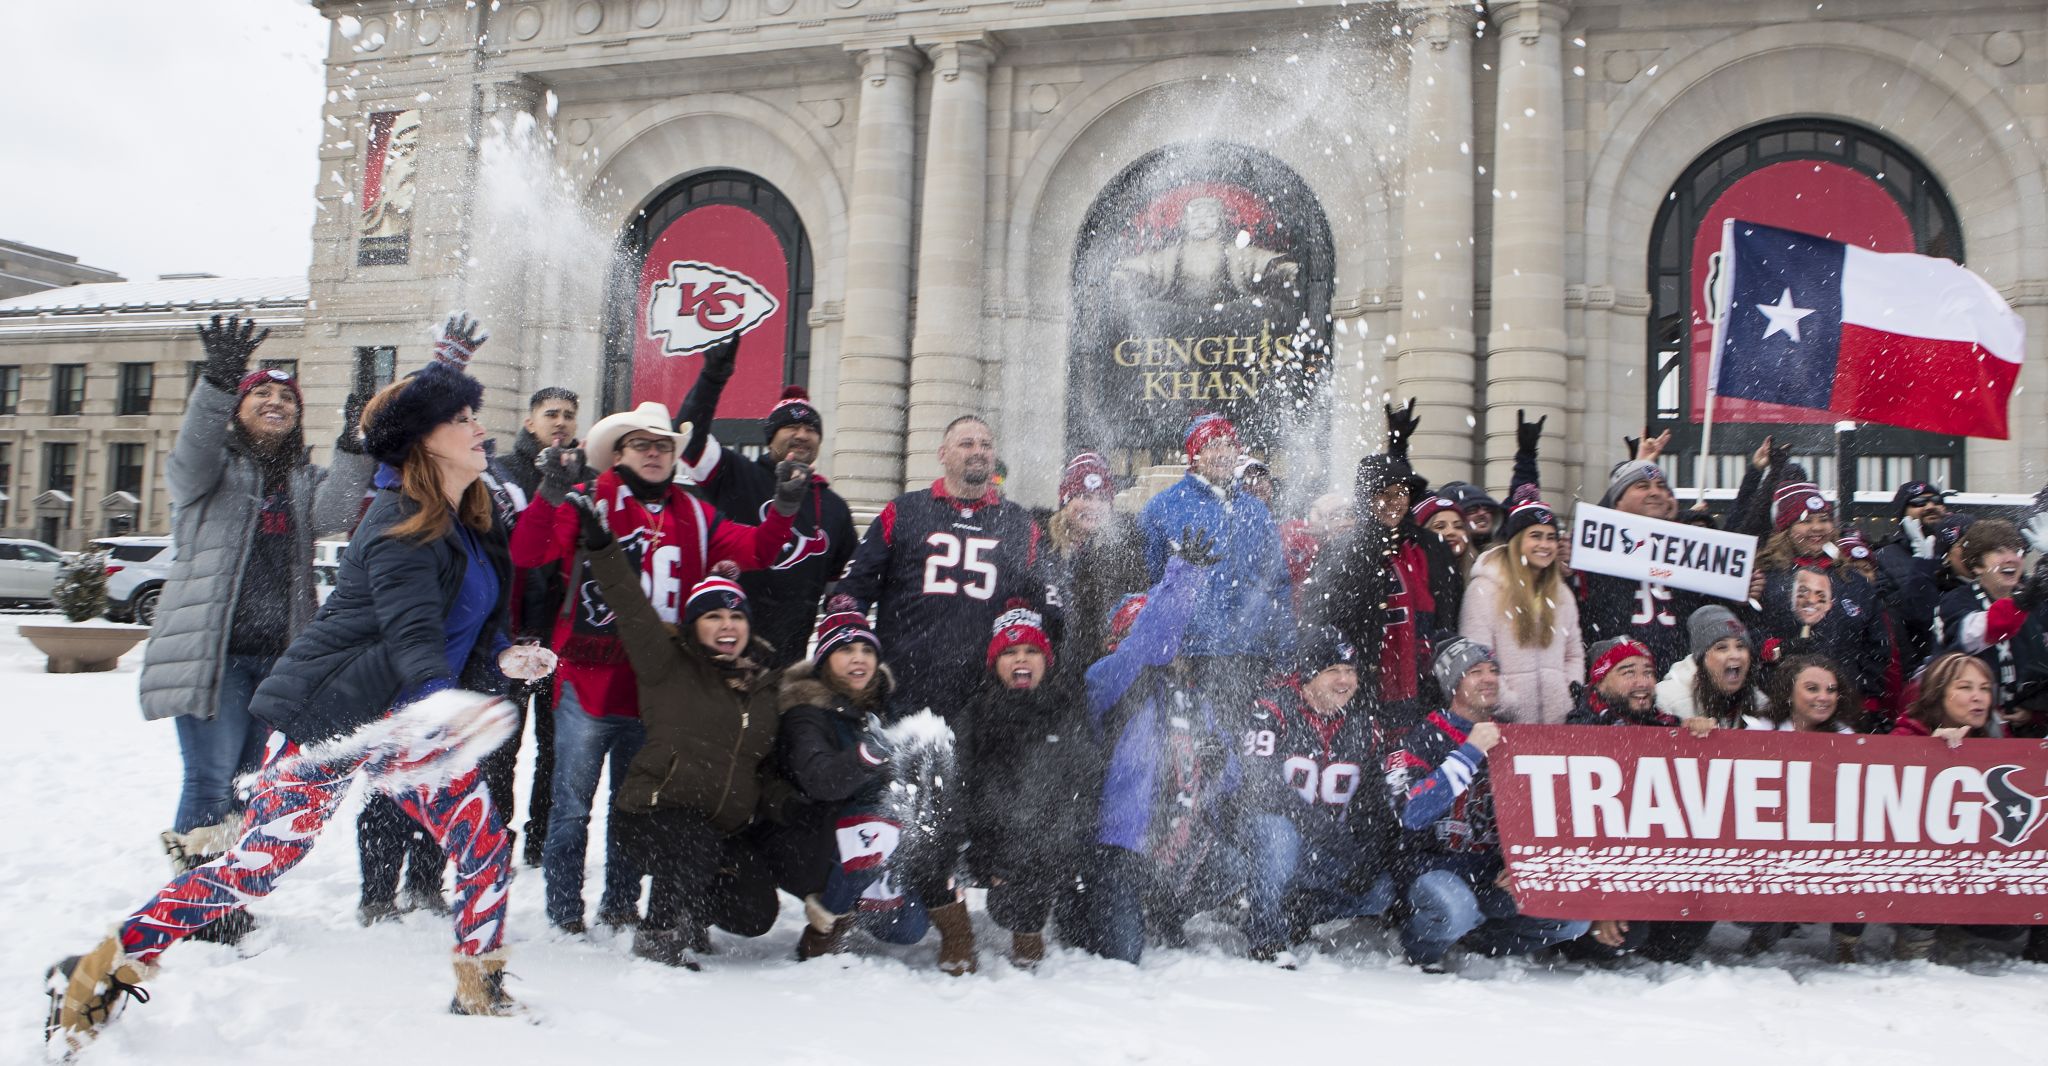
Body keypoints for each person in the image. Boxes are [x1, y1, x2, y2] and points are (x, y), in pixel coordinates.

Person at [47, 356, 554, 1051]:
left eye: (474, 416)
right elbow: (412, 634)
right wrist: (442, 704)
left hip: (407, 718)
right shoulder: (397, 519)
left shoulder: (475, 523)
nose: (479, 430)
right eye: (460, 419)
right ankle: (97, 970)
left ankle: (480, 989)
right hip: (339, 719)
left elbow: (470, 630)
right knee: (257, 866)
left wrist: (506, 658)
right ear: (421, 442)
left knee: (483, 846)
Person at [511, 399, 805, 933]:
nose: (654, 453)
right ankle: (563, 911)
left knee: (636, 806)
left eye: (663, 445)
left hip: (659, 689)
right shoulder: (591, 498)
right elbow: (530, 551)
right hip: (588, 680)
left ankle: (621, 905)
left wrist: (784, 506)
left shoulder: (694, 512)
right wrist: (550, 493)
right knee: (572, 806)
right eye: (642, 444)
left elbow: (757, 549)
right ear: (619, 453)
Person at [139, 315, 374, 915]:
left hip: (276, 658)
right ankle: (193, 902)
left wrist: (353, 441)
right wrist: (216, 383)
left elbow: (335, 513)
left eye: (286, 397)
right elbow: (189, 454)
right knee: (211, 777)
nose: (275, 402)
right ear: (239, 409)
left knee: (247, 783)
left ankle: (219, 893)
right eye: (261, 393)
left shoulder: (300, 479)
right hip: (212, 656)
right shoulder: (211, 474)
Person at [582, 498, 788, 969]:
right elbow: (628, 602)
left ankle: (691, 910)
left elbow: (764, 762)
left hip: (715, 826)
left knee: (756, 910)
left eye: (736, 617)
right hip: (651, 814)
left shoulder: (761, 688)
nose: (727, 625)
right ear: (694, 624)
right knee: (690, 842)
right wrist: (601, 545)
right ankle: (658, 937)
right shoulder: (667, 663)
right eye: (714, 616)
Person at [778, 607, 979, 974]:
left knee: (908, 929)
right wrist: (866, 756)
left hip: (884, 839)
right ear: (824, 660)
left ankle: (869, 903)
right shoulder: (805, 713)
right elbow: (821, 781)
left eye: (867, 650)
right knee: (884, 815)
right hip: (819, 839)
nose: (858, 658)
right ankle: (826, 923)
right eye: (845, 650)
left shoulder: (890, 707)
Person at [1084, 529, 1246, 963]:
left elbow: (1230, 778)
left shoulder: (1191, 696)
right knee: (1123, 956)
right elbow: (1148, 645)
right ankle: (1091, 909)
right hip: (1120, 846)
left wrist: (1218, 761)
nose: (1169, 649)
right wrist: (1185, 577)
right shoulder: (1110, 678)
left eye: (1175, 642)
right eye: (1160, 636)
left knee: (1232, 868)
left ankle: (1163, 906)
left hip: (1176, 838)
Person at [1389, 637, 1589, 969]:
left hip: (1490, 874)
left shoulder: (1515, 737)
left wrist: (1524, 864)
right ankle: (1423, 946)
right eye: (1474, 671)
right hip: (1434, 870)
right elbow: (1411, 813)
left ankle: (1475, 940)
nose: (1488, 678)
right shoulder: (1420, 737)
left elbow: (1541, 815)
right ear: (1453, 683)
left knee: (1574, 919)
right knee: (1455, 909)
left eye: (1493, 670)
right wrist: (1469, 753)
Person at [838, 414, 1045, 722]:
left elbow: (1040, 601)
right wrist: (852, 657)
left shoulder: (1019, 523)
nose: (978, 451)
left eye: (986, 445)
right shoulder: (905, 511)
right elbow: (853, 591)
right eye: (966, 443)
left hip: (984, 695)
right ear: (942, 454)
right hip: (904, 683)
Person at [675, 335, 858, 669]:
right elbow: (687, 439)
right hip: (720, 655)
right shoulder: (735, 474)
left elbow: (840, 595)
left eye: (810, 429)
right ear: (770, 435)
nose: (802, 435)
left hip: (787, 665)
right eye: (790, 426)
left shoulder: (835, 508)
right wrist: (712, 377)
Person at [1236, 626, 1396, 966]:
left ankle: (1296, 915)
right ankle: (1265, 937)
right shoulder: (1271, 711)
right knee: (1280, 838)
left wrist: (1363, 853)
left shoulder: (1364, 725)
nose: (1344, 681)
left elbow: (1372, 800)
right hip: (1262, 841)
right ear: (1309, 676)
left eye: (1350, 671)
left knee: (1379, 890)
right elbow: (1260, 787)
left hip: (1323, 847)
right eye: (1332, 671)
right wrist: (1324, 832)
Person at [954, 602, 1091, 968]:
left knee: (1035, 898)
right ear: (995, 662)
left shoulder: (1065, 710)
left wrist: (1053, 850)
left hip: (1048, 845)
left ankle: (1029, 937)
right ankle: (956, 936)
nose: (1022, 659)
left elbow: (1082, 786)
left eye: (1031, 650)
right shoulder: (975, 716)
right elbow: (963, 792)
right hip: (988, 845)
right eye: (1010, 651)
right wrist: (989, 854)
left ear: (1046, 660)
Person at [1564, 637, 1717, 963]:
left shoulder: (1664, 725)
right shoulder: (1577, 734)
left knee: (1691, 924)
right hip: (1599, 877)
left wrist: (1700, 736)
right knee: (1623, 936)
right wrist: (1597, 902)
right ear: (1600, 680)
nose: (1642, 682)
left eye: (1648, 672)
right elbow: (1571, 834)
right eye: (1628, 672)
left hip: (1648, 870)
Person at [1308, 413, 1463, 723]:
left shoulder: (1429, 547)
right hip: (1360, 686)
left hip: (1422, 684)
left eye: (1402, 494)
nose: (1396, 502)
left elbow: (1449, 610)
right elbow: (1321, 617)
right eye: (1385, 494)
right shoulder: (1344, 549)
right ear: (1368, 498)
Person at [502, 384, 591, 865]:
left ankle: (540, 844)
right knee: (501, 751)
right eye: (551, 413)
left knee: (556, 752)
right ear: (530, 420)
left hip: (563, 640)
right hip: (510, 636)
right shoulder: (500, 473)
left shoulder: (584, 479)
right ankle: (495, 841)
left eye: (569, 414)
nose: (561, 422)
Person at [1136, 413, 1292, 683]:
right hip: (1192, 654)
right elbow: (1149, 582)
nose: (1222, 453)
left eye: (1228, 445)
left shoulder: (1256, 510)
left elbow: (1278, 581)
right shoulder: (1162, 508)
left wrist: (1284, 646)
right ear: (1194, 455)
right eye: (1211, 445)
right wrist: (1164, 647)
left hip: (1252, 651)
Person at [1575, 444, 1704, 671]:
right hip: (1618, 674)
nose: (1655, 492)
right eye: (1642, 486)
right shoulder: (1595, 550)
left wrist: (1742, 593)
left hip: (1679, 677)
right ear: (1617, 502)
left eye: (1661, 486)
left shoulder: (1692, 549)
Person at [1457, 498, 1582, 724]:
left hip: (1558, 725)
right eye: (1535, 536)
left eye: (1551, 538)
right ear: (1516, 541)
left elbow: (1573, 654)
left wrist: (1567, 698)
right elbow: (1476, 657)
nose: (1545, 545)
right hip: (1501, 723)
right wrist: (1509, 704)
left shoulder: (1562, 595)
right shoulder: (1484, 590)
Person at [1039, 451, 1146, 666]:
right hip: (1049, 667)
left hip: (1103, 665)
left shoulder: (1125, 552)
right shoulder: (1040, 543)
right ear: (1066, 500)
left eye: (1102, 498)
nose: (1093, 506)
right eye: (1085, 497)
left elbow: (1137, 602)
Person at [1934, 519, 2040, 720]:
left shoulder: (2037, 603)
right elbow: (1976, 634)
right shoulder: (1956, 600)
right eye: (1999, 551)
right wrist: (2026, 599)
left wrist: (2037, 710)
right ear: (1977, 565)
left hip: (2029, 732)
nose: (2011, 558)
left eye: (2016, 551)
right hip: (1969, 725)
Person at [1871, 480, 1954, 669]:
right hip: (1917, 664)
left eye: (1936, 500)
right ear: (1902, 513)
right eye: (1918, 503)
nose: (1930, 506)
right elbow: (1897, 614)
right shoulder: (1884, 557)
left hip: (1957, 659)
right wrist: (1923, 569)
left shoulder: (1957, 552)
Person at [1655, 606, 1768, 728]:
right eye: (1722, 647)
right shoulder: (1666, 701)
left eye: (1740, 646)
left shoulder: (1761, 704)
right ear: (1701, 659)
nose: (1735, 655)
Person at [1411, 495, 1473, 582]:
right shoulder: (1409, 578)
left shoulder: (1480, 572)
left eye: (1458, 526)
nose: (1451, 532)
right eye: (1440, 527)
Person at [1437, 482, 1504, 551]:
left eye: (1487, 509)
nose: (1482, 513)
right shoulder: (1445, 555)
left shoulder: (1505, 553)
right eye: (1472, 510)